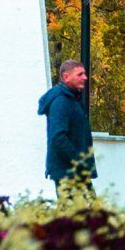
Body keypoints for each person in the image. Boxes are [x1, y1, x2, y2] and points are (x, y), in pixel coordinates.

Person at [39, 59, 94, 195]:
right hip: (68, 173)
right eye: (80, 74)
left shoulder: (73, 99)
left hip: (75, 171)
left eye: (84, 74)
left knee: (91, 213)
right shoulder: (61, 102)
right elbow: (58, 137)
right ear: (66, 77)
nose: (85, 78)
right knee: (81, 213)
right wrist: (79, 160)